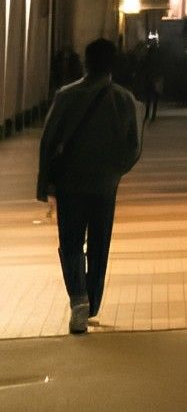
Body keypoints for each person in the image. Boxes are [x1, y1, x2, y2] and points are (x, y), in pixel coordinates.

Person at [37, 35, 144, 335]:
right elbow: (133, 146)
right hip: (104, 187)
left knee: (70, 243)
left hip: (70, 185)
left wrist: (44, 184)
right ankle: (92, 301)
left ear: (86, 62)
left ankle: (78, 299)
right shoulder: (124, 99)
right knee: (99, 245)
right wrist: (115, 171)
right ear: (113, 64)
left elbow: (48, 141)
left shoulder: (66, 95)